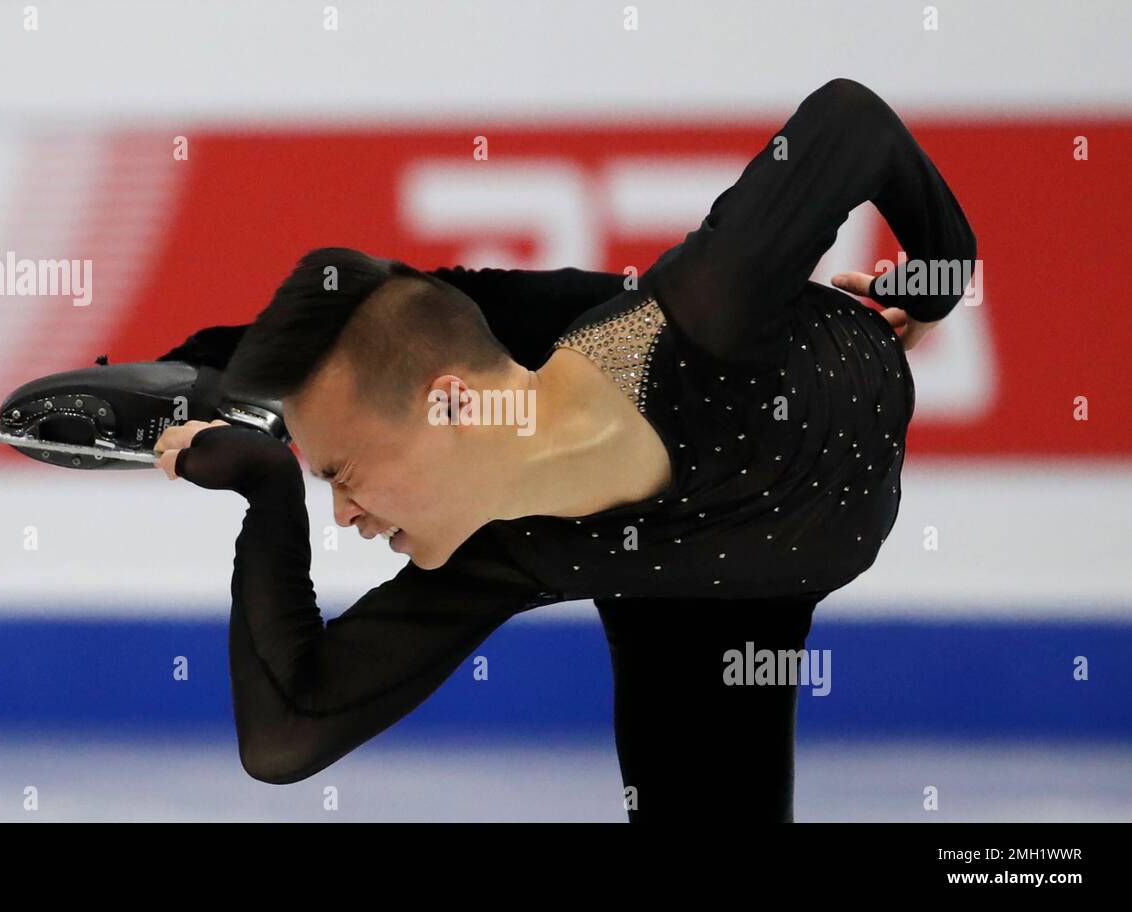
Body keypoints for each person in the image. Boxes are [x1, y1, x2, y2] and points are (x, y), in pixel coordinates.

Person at [121, 77, 973, 821]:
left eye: (338, 477)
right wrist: (267, 495)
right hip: (700, 585)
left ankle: (203, 368)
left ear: (451, 405)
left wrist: (938, 272)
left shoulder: (714, 306)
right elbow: (285, 737)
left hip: (671, 376)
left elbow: (852, 120)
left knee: (450, 310)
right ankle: (190, 375)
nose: (341, 518)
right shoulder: (497, 546)